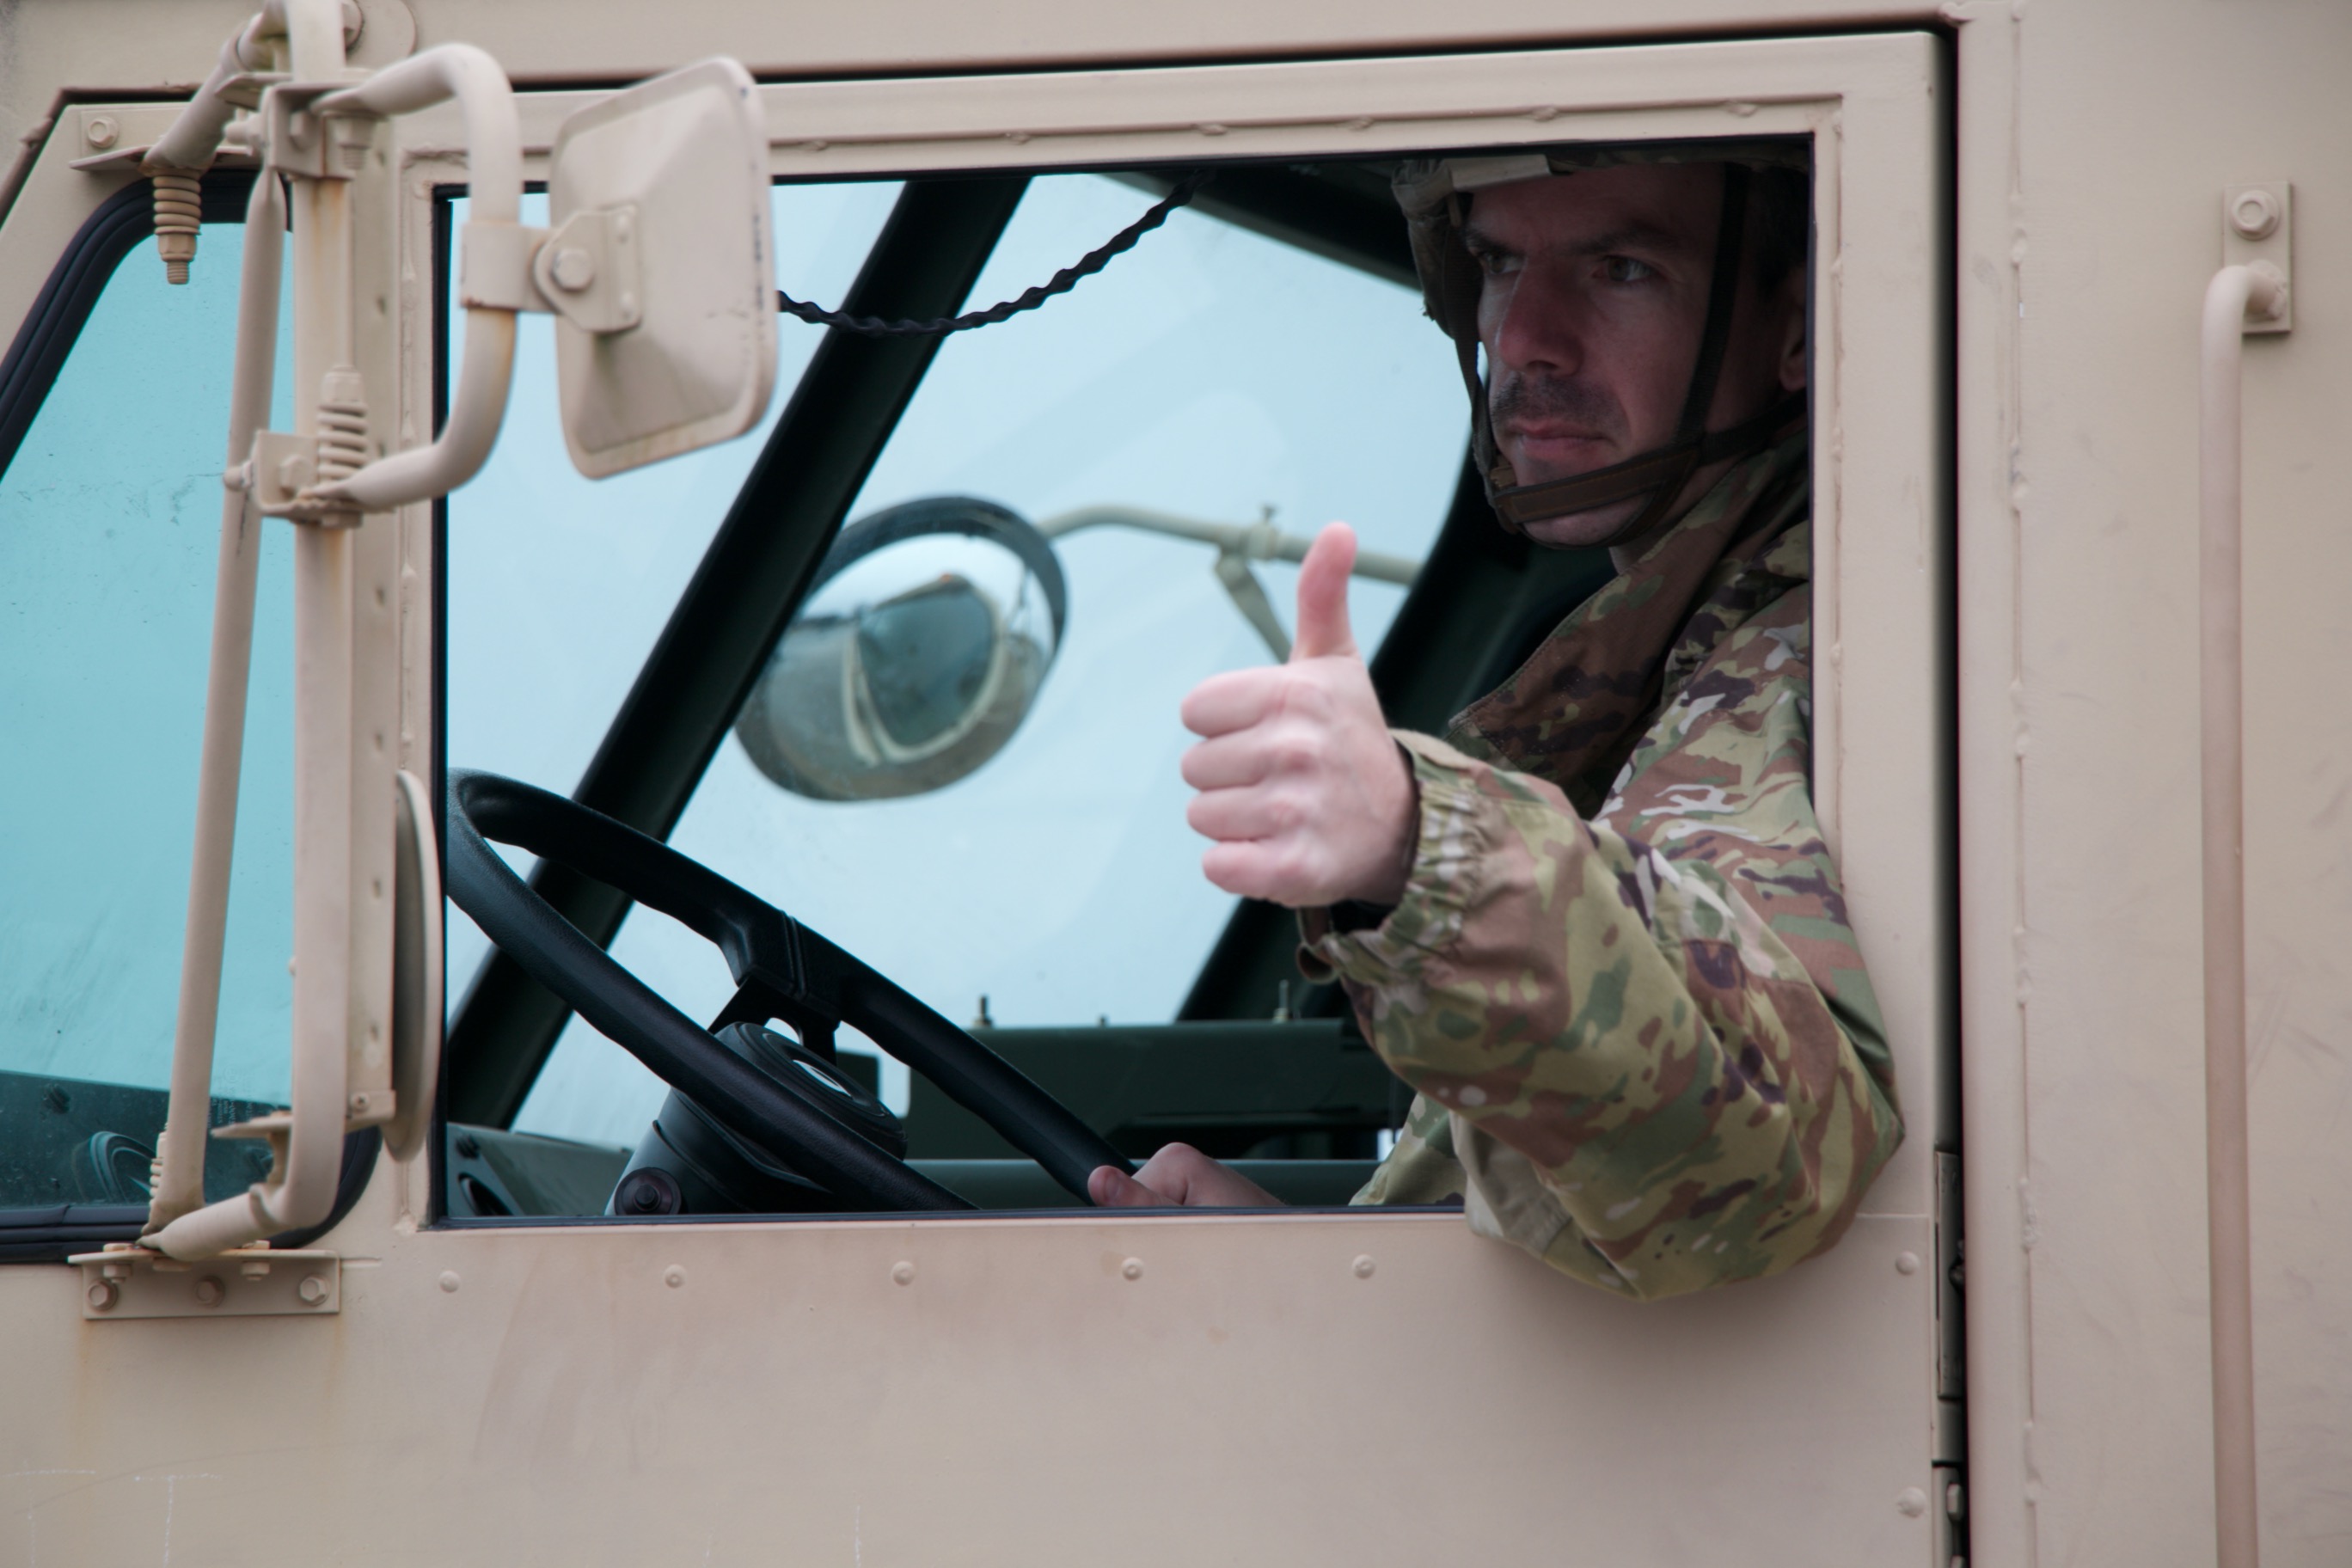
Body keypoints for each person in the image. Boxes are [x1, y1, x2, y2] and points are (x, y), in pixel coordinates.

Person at [1084, 148, 1905, 1302]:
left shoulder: (1809, 665)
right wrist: (1315, 1264)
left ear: (1799, 326)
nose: (1525, 340)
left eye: (1621, 269)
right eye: (1500, 264)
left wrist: (1425, 848)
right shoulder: (1690, 658)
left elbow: (1769, 1155)